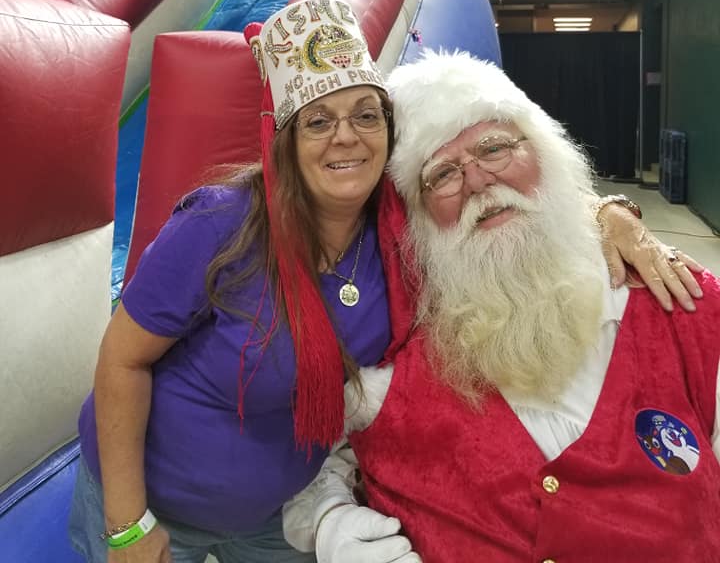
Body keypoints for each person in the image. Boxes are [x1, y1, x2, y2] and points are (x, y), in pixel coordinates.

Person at [67, 0, 699, 563]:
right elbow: (121, 363)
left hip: (276, 512)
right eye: (318, 121)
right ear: (283, 141)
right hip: (153, 503)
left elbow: (502, 213)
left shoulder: (396, 228)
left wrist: (608, 215)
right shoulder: (219, 225)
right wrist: (128, 524)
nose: (346, 136)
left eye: (365, 115)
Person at [285, 51, 719, 563]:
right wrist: (331, 521)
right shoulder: (385, 347)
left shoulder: (679, 303)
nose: (477, 181)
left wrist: (608, 207)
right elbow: (300, 465)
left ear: (546, 153)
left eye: (493, 148)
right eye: (442, 175)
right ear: (418, 217)